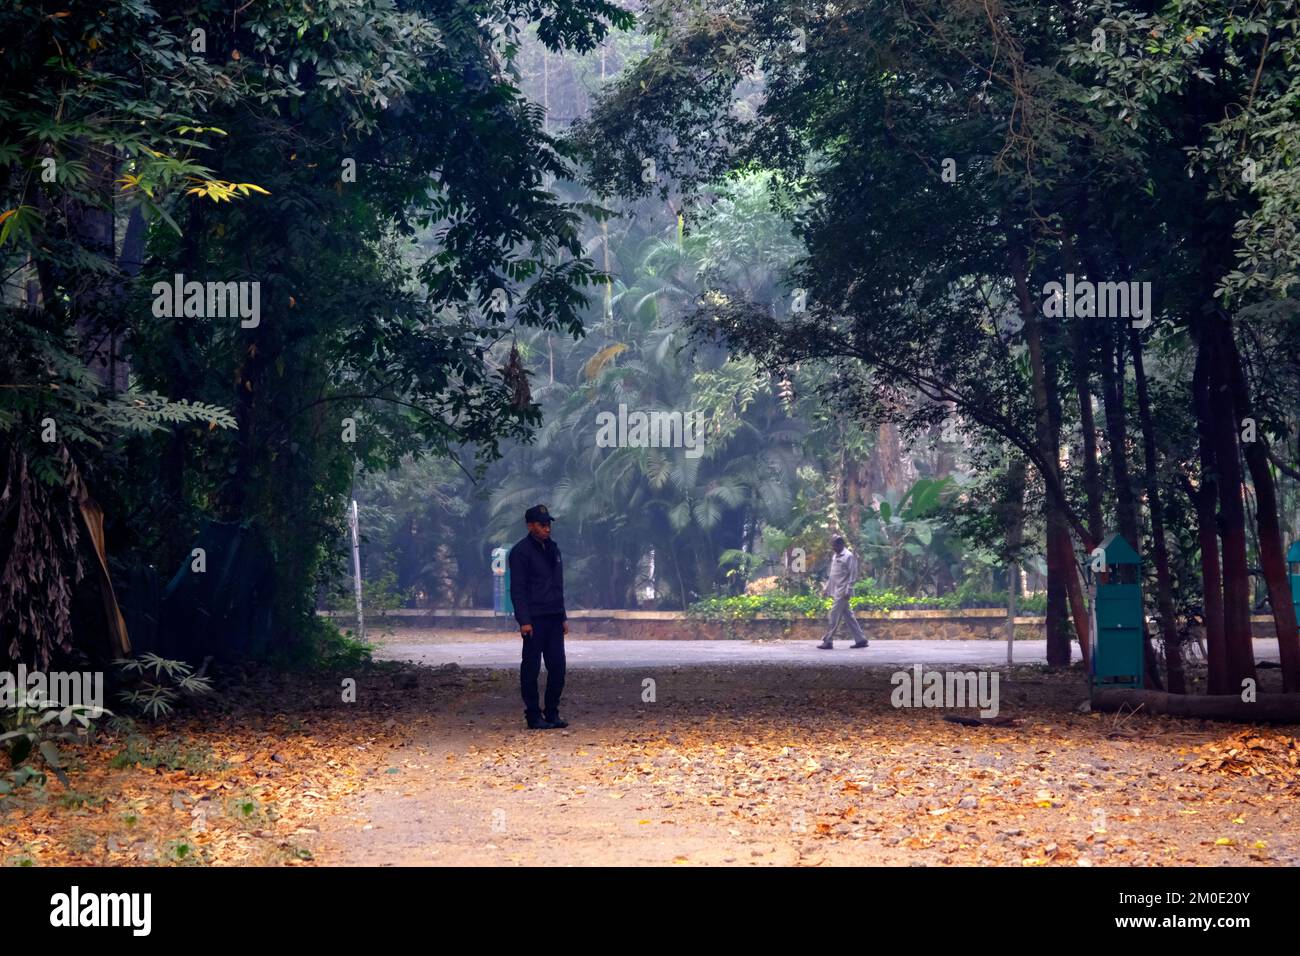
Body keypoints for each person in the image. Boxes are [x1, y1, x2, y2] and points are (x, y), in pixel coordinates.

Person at [508, 504, 569, 730]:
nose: (547, 529)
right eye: (542, 525)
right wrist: (524, 620)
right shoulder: (520, 552)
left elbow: (558, 585)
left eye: (548, 524)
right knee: (531, 668)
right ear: (530, 525)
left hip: (553, 617)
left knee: (558, 668)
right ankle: (533, 715)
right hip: (534, 619)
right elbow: (518, 589)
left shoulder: (554, 549)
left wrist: (563, 616)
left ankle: (552, 712)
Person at [818, 535, 868, 649]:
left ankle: (828, 641)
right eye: (832, 546)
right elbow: (833, 574)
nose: (833, 548)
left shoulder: (848, 556)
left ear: (841, 544)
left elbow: (853, 574)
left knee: (834, 615)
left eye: (834, 545)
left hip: (843, 592)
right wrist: (827, 588)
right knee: (849, 616)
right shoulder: (835, 555)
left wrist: (848, 590)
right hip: (836, 590)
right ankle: (861, 640)